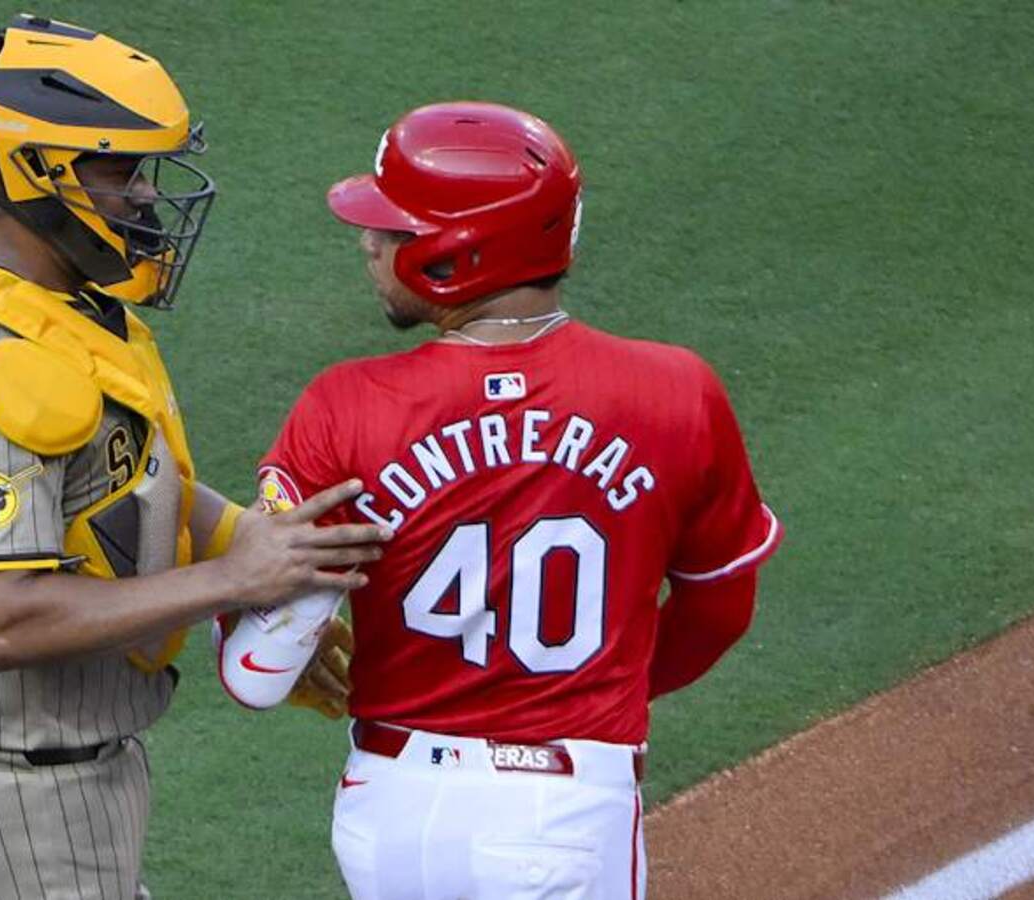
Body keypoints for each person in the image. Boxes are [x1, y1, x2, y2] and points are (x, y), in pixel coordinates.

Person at [0, 16, 383, 900]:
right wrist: (234, 584)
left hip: (43, 784)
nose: (144, 197)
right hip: (6, 798)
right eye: (119, 172)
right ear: (37, 172)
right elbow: (7, 619)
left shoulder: (57, 309)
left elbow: (123, 480)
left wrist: (254, 544)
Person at [218, 102, 782, 899]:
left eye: (393, 228)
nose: (369, 242)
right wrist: (587, 683)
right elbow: (719, 612)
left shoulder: (343, 408)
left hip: (388, 818)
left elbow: (256, 676)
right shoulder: (675, 392)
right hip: (558, 815)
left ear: (456, 252)